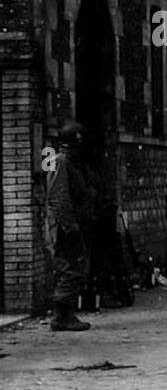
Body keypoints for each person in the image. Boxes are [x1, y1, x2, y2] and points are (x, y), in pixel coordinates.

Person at [45, 121, 97, 331]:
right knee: (71, 269)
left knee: (77, 267)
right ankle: (61, 316)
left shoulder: (70, 163)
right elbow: (59, 198)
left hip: (73, 224)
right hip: (65, 228)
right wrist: (70, 227)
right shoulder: (60, 162)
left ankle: (66, 314)